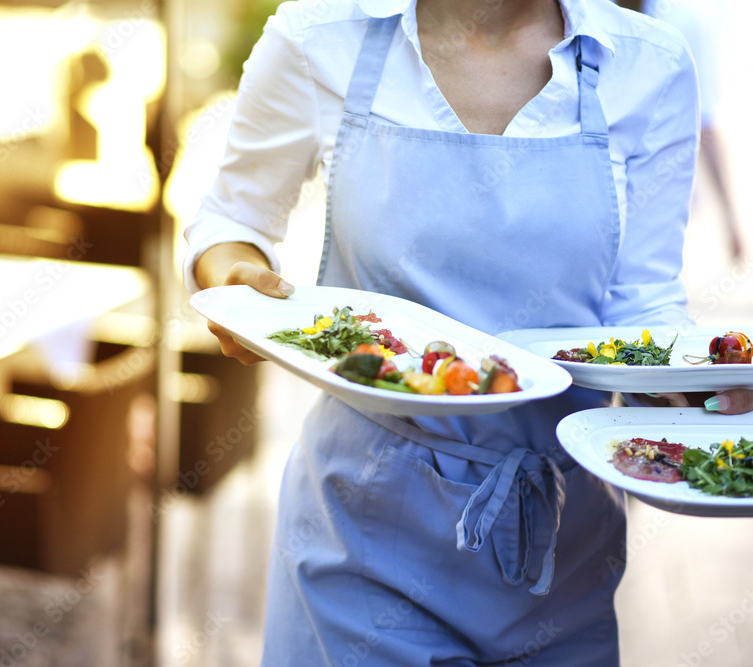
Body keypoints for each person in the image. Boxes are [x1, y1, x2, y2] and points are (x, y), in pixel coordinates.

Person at [183, 0, 753, 664]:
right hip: (365, 535)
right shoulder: (321, 34)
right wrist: (237, 285)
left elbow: (643, 301)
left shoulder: (649, 63)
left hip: (564, 547)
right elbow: (231, 219)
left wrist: (691, 391)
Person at [618, 0, 744, 261]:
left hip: (657, 208)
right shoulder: (574, 17)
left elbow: (703, 122)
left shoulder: (682, 21)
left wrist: (730, 217)